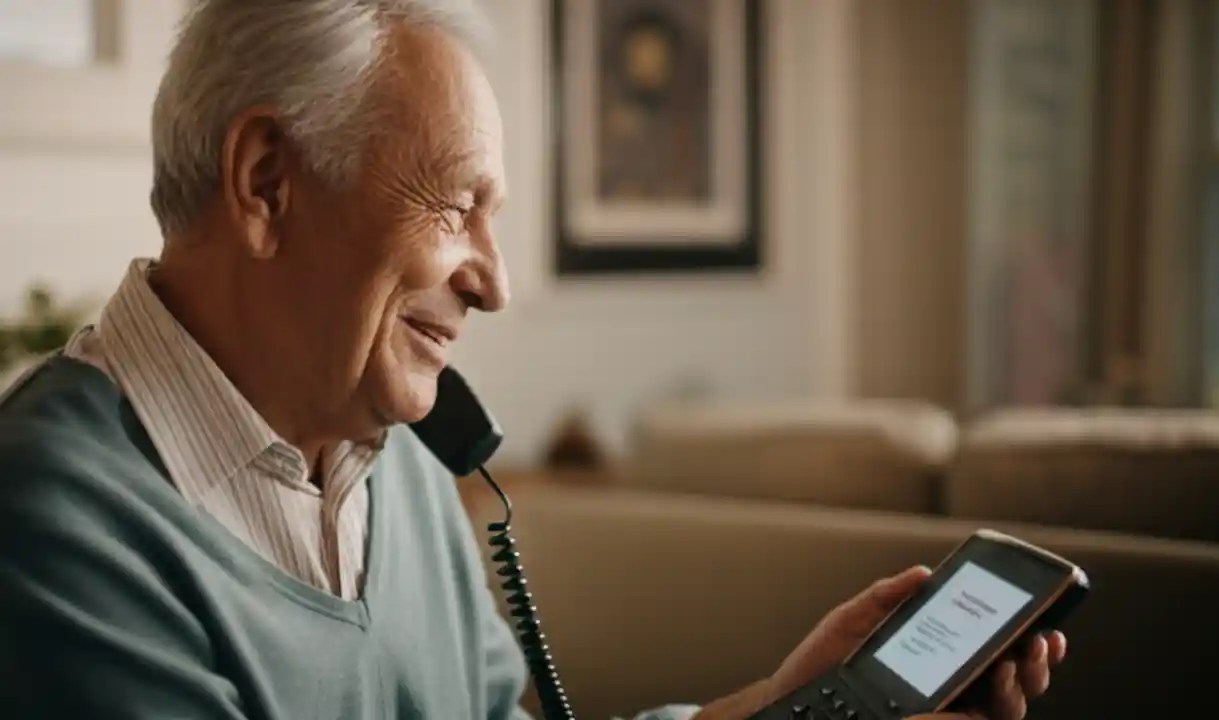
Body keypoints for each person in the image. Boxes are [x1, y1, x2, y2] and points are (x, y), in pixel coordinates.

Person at [0, 2, 1066, 718]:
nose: (493, 282)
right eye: (456, 207)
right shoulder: (47, 517)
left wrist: (774, 709)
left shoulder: (404, 471)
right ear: (268, 182)